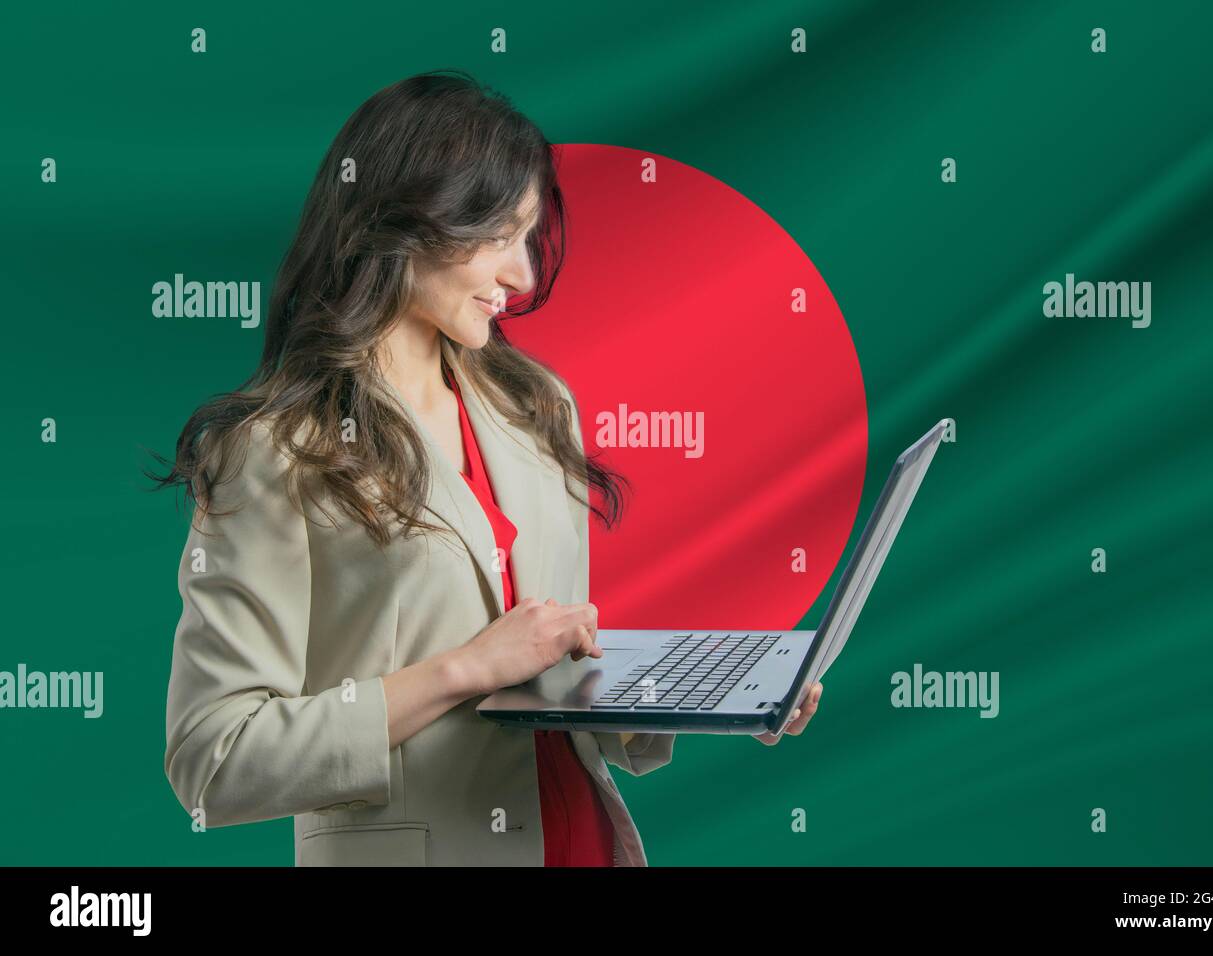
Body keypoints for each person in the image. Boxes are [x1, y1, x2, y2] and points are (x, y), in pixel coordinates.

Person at [152, 70, 822, 867]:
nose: (524, 277)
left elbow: (547, 688)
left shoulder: (534, 411)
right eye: (499, 236)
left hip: (585, 845)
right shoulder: (276, 450)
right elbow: (212, 758)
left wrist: (705, 697)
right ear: (405, 219)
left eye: (527, 238)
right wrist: (461, 671)